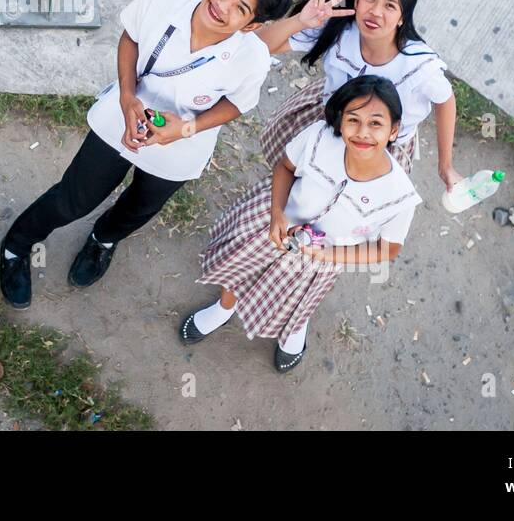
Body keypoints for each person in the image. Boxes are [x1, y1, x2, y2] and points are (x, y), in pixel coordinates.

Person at [0, 0, 297, 309]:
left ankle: (102, 241)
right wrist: (126, 96)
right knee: (74, 198)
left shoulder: (252, 58)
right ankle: (17, 245)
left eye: (241, 8)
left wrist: (188, 127)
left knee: (139, 206)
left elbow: (236, 104)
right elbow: (131, 37)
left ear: (251, 26)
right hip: (124, 113)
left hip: (182, 144)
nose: (222, 5)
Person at [180, 75, 421, 372]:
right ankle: (223, 308)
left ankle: (294, 329)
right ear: (340, 119)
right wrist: (278, 213)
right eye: (353, 119)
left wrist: (329, 256)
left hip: (322, 258)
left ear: (394, 130)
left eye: (375, 123)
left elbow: (388, 250)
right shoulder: (320, 136)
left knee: (293, 299)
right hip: (274, 224)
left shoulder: (399, 195)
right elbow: (285, 167)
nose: (362, 133)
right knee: (239, 269)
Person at [256, 0, 461, 190]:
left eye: (390, 6)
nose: (375, 12)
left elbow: (445, 100)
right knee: (290, 175)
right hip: (329, 115)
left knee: (341, 210)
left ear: (403, 17)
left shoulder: (419, 65)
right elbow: (261, 45)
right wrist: (299, 21)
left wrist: (446, 165)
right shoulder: (340, 28)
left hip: (379, 144)